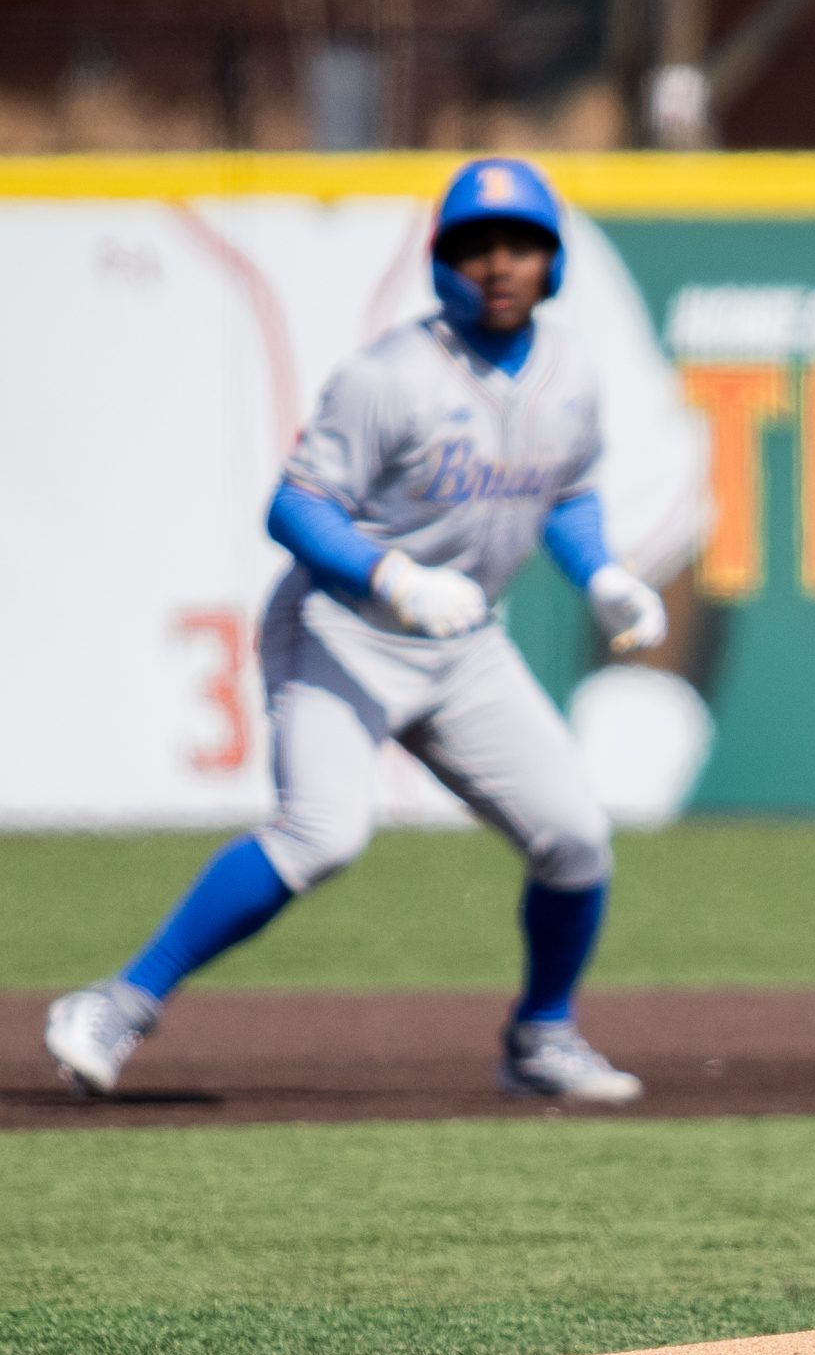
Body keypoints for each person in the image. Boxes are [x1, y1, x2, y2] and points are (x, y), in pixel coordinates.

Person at [44, 158, 668, 1105]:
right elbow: (293, 509)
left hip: (463, 648)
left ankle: (542, 1037)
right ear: (441, 262)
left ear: (553, 261)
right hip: (341, 627)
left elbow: (568, 493)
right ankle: (117, 1003)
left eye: (520, 245)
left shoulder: (572, 373)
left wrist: (607, 575)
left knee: (577, 839)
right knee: (321, 833)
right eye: (476, 246)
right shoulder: (392, 376)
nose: (500, 264)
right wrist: (391, 575)